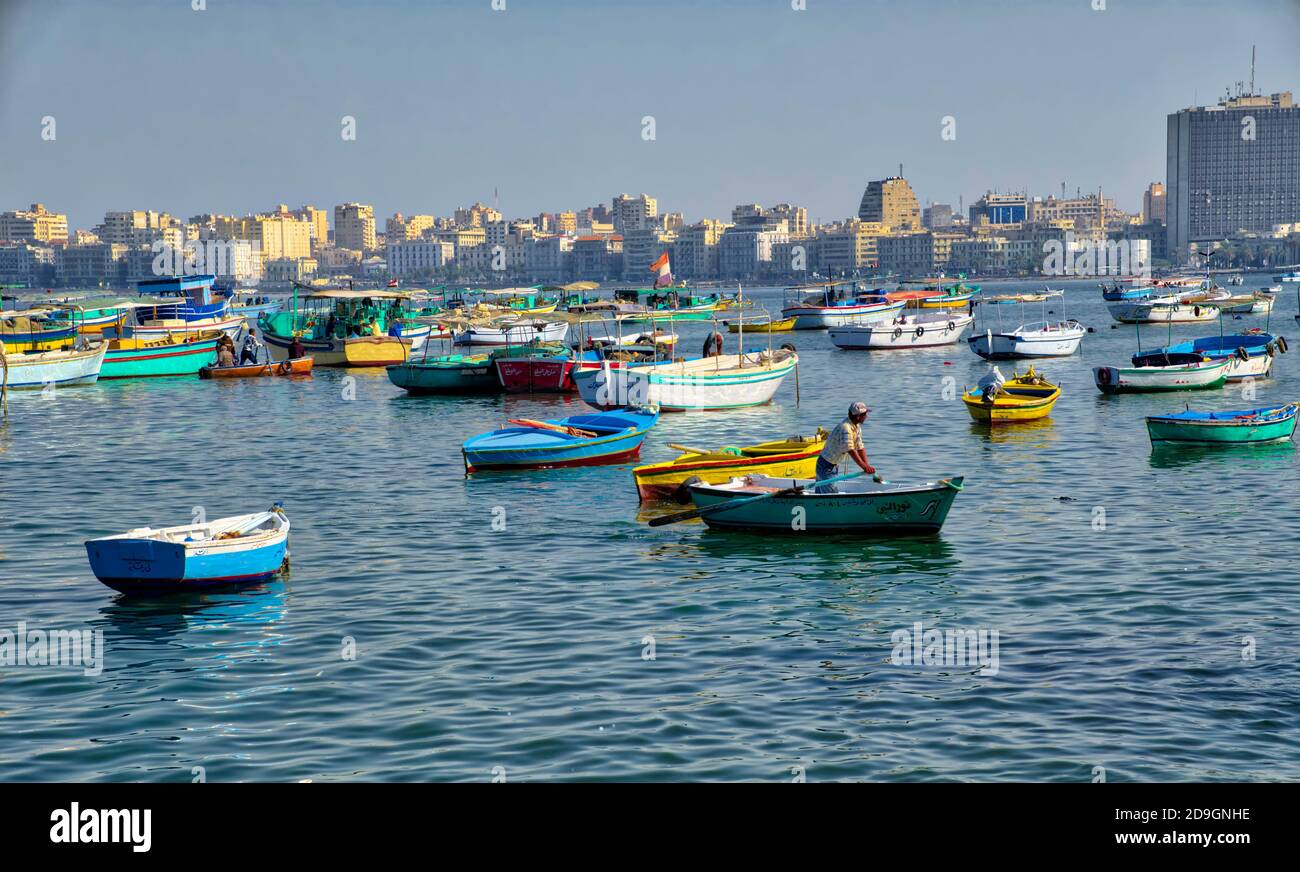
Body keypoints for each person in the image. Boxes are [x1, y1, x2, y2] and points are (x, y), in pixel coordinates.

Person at [815, 402, 876, 494]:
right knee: (830, 497)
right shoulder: (845, 428)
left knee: (822, 496)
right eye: (864, 414)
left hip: (833, 466)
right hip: (825, 467)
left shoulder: (856, 427)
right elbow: (851, 450)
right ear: (858, 416)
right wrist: (864, 467)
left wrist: (866, 466)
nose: (867, 417)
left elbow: (860, 447)